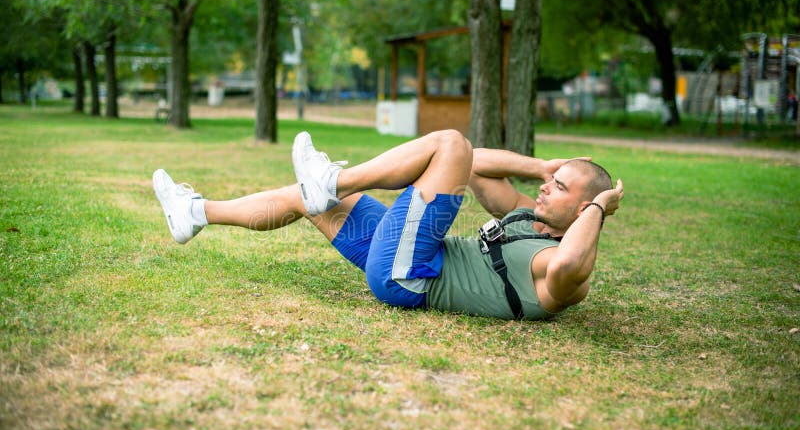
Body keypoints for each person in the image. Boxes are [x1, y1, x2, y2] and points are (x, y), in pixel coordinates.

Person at [153, 130, 623, 320]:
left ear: (584, 213)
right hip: (411, 254)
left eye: (560, 188)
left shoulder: (560, 272)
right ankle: (194, 213)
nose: (545, 189)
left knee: (450, 143)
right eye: (550, 183)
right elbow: (478, 165)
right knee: (310, 200)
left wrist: (599, 205)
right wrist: (543, 166)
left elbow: (574, 264)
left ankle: (333, 180)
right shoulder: (525, 213)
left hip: (411, 276)